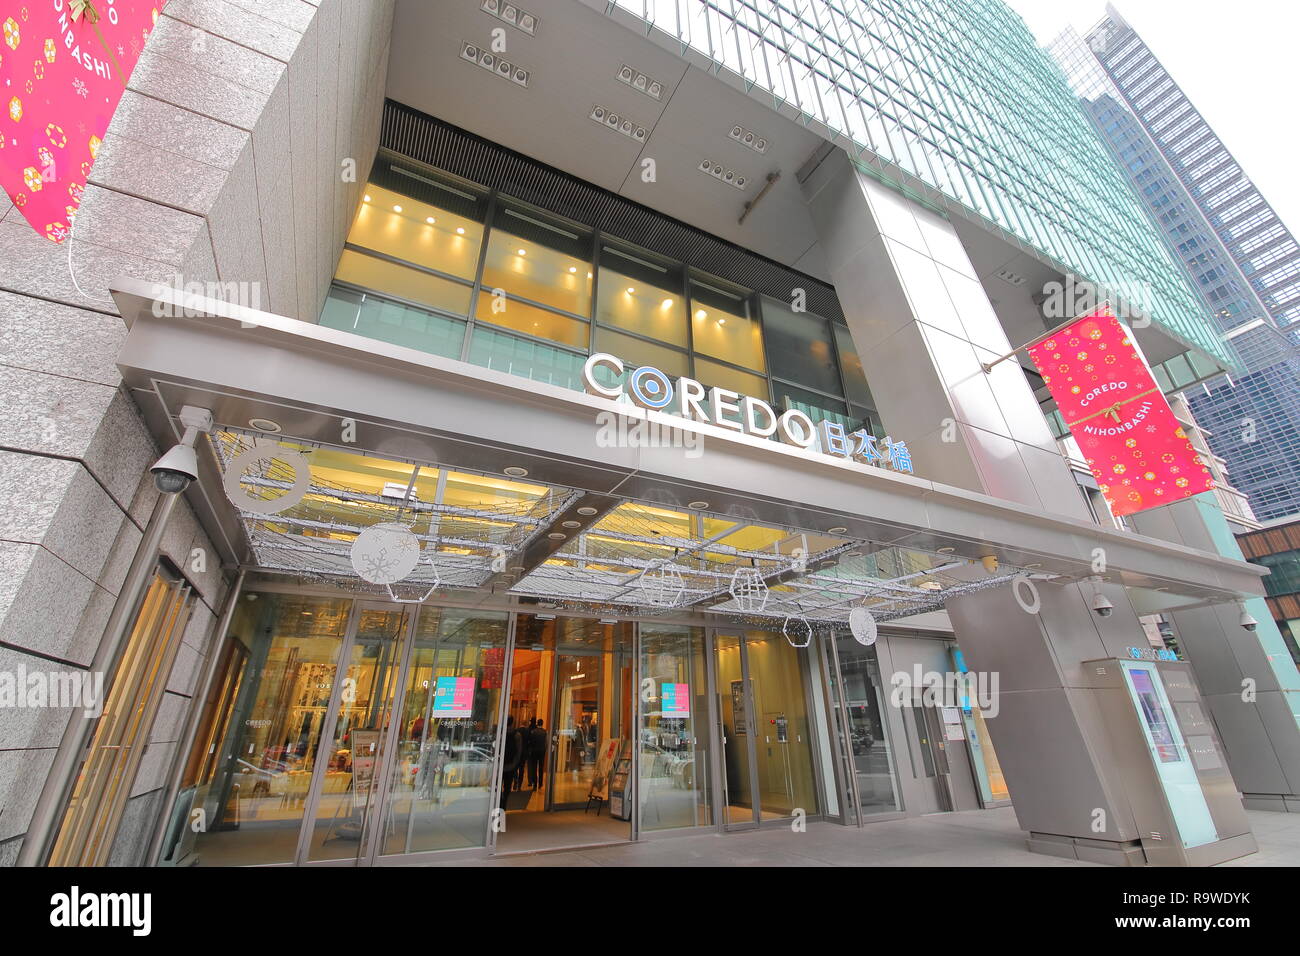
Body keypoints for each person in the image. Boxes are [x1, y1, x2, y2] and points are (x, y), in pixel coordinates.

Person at [498, 717, 524, 811]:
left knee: (498, 785)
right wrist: (515, 763)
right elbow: (519, 751)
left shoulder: (500, 733)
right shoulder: (517, 735)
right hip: (510, 765)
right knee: (507, 786)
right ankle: (504, 804)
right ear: (512, 723)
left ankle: (499, 801)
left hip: (500, 765)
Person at [527, 718, 547, 790]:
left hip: (534, 751)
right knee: (541, 768)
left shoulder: (533, 732)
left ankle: (535, 784)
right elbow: (546, 743)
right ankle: (540, 784)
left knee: (534, 768)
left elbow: (531, 742)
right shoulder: (545, 732)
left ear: (537, 723)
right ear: (542, 724)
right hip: (542, 751)